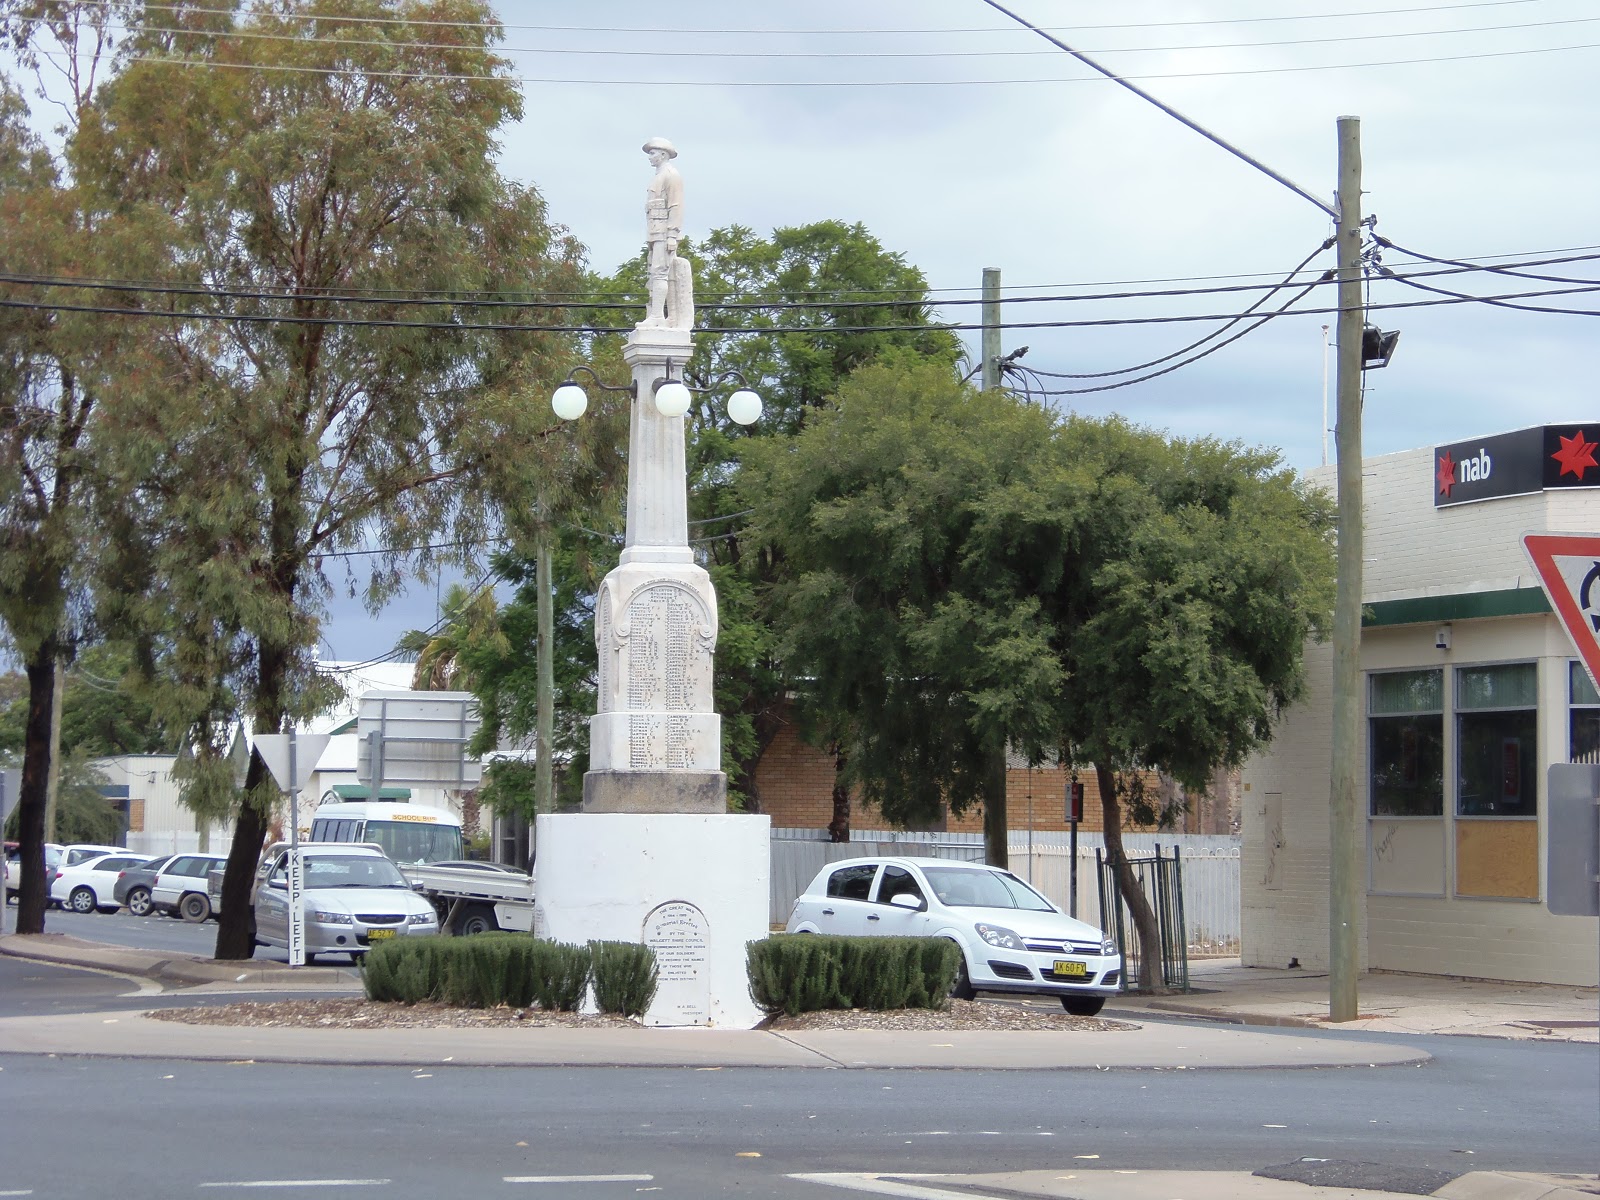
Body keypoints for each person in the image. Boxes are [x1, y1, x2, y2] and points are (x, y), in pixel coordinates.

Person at [641, 136, 694, 329]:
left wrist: (672, 234)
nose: (649, 157)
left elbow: (676, 206)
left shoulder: (671, 175)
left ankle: (657, 316)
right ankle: (656, 315)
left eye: (652, 153)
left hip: (664, 233)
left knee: (660, 272)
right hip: (655, 232)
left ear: (663, 154)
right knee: (655, 273)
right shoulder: (659, 175)